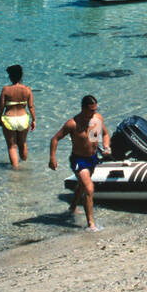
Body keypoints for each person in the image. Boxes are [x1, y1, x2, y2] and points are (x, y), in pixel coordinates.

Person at [49, 95, 110, 231]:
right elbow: (55, 139)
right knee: (89, 188)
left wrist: (106, 147)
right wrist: (52, 158)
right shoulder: (73, 123)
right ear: (83, 109)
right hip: (78, 160)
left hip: (93, 158)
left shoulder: (97, 118)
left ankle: (72, 208)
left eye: (95, 110)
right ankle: (91, 225)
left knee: (82, 185)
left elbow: (105, 134)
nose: (94, 113)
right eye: (91, 110)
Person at [0, 64, 35, 169]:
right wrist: (34, 120)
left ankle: (16, 170)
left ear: (10, 76)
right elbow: (31, 107)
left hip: (9, 118)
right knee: (22, 143)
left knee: (12, 146)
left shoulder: (5, 90)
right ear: (21, 76)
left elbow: (1, 106)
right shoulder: (27, 90)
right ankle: (25, 165)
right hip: (23, 118)